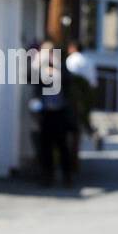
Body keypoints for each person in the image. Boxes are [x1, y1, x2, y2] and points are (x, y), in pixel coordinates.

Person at [32, 42, 77, 187]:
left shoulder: (60, 66)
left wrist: (56, 69)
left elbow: (69, 80)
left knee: (62, 145)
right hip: (45, 112)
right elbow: (29, 77)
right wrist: (39, 65)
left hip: (60, 111)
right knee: (45, 146)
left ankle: (67, 176)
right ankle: (47, 176)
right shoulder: (39, 68)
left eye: (51, 53)